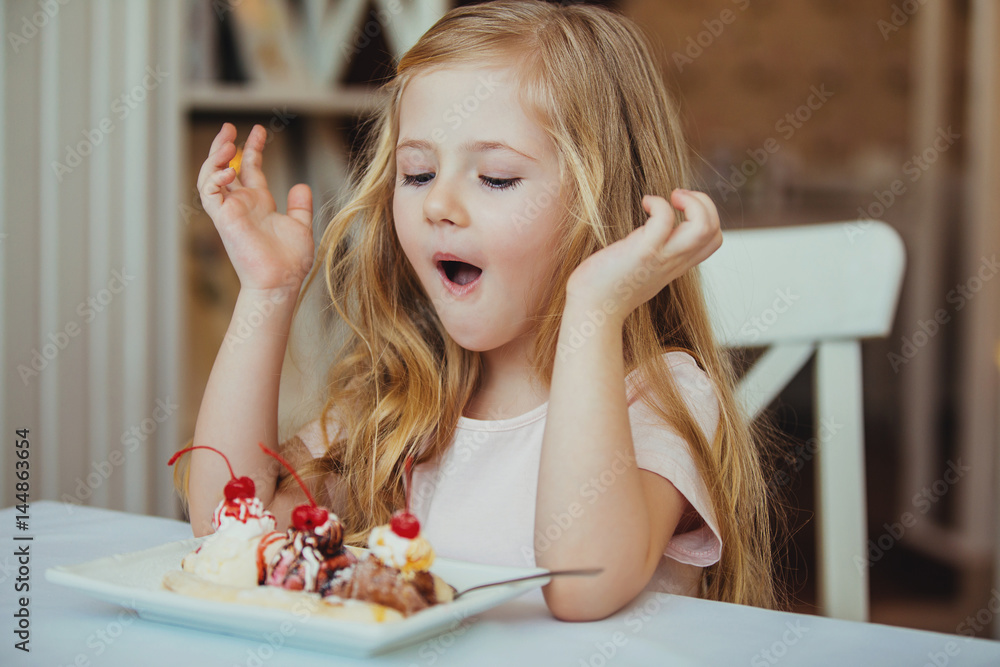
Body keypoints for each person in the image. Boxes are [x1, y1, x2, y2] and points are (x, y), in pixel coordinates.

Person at [180, 0, 779, 620]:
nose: (438, 204)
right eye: (417, 173)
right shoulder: (404, 397)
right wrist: (268, 290)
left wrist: (594, 310)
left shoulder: (659, 395)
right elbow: (229, 532)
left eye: (495, 178)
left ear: (604, 207)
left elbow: (583, 589)